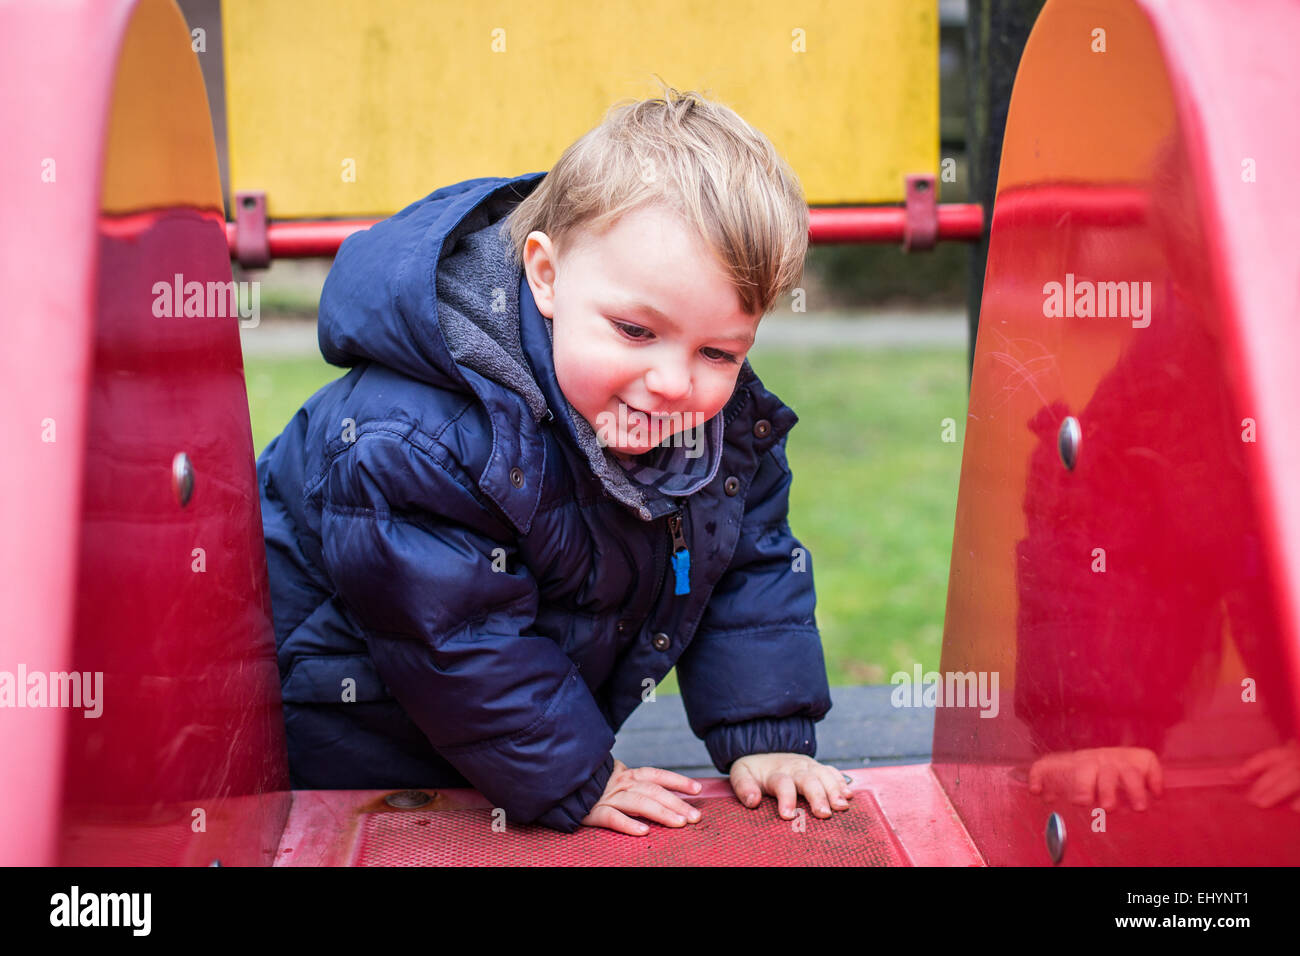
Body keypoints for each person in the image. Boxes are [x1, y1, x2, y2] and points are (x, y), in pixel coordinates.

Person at [257, 84, 850, 835]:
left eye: (718, 351)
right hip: (343, 738)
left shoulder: (719, 429)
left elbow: (747, 564)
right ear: (546, 274)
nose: (672, 383)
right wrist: (575, 774)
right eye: (636, 331)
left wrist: (768, 734)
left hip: (503, 745)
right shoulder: (416, 438)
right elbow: (456, 633)